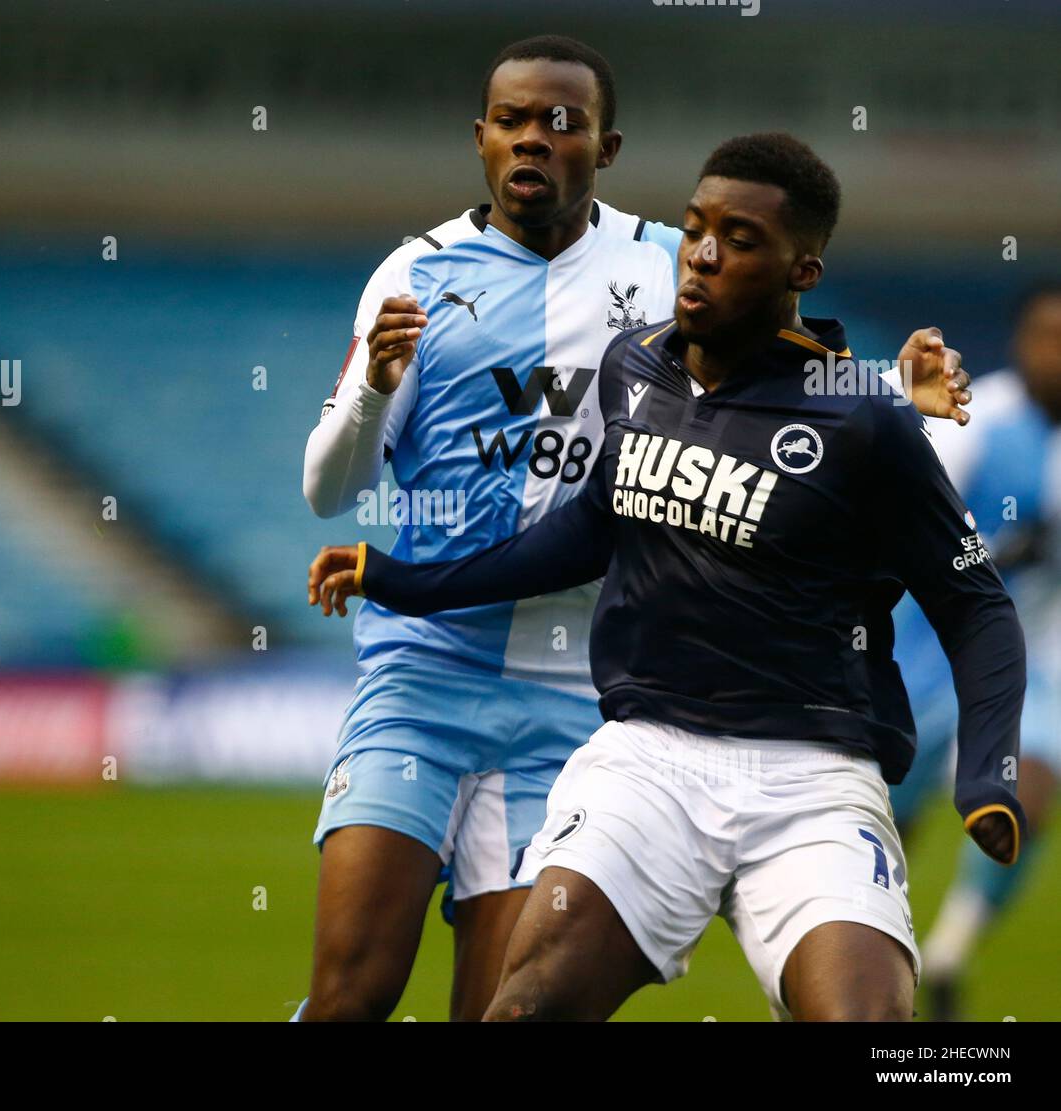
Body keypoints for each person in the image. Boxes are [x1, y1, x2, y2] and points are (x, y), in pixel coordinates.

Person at [299, 35, 972, 1023]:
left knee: (505, 1009)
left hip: (576, 693)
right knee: (352, 993)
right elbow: (327, 487)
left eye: (561, 121)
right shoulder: (415, 275)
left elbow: (794, 395)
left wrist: (893, 387)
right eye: (515, 119)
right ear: (480, 137)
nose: (536, 137)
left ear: (603, 147)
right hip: (423, 672)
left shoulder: (669, 262)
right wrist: (373, 390)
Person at [888, 283, 1061, 1020]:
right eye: (1046, 335)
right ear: (1021, 341)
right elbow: (910, 528)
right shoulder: (976, 418)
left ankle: (952, 952)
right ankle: (872, 950)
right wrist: (996, 551)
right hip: (935, 648)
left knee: (1030, 791)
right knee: (888, 818)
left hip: (1039, 658)